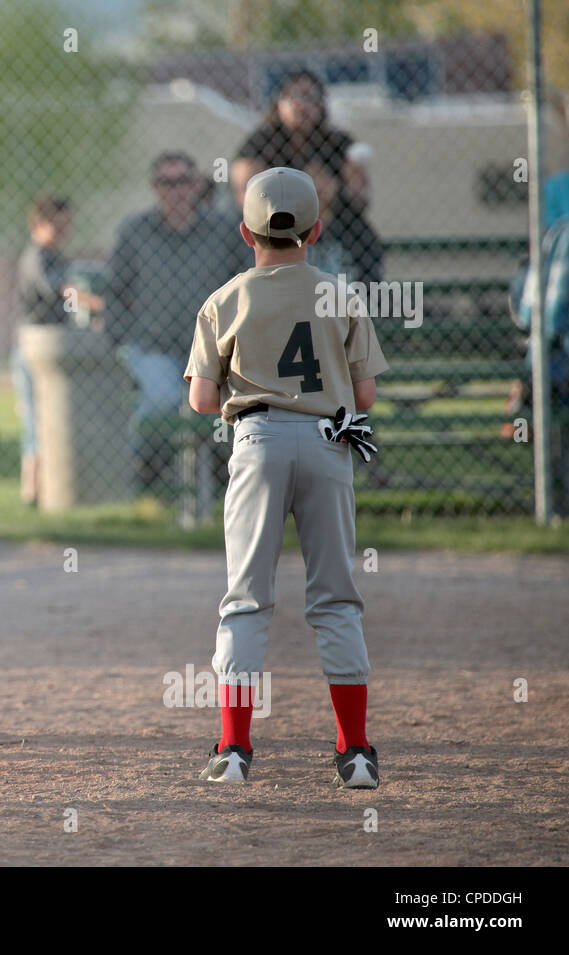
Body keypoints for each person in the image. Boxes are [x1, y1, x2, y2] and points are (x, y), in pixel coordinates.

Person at [184, 167, 390, 788]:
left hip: (257, 442)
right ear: (316, 230)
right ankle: (354, 754)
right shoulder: (340, 295)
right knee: (336, 598)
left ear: (247, 233)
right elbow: (366, 395)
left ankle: (235, 751)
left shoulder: (226, 298)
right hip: (329, 442)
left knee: (246, 599)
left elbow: (200, 399)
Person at [105, 151, 252, 484]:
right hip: (153, 347)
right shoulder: (135, 232)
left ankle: (221, 478)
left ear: (197, 184)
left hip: (215, 351)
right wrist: (125, 338)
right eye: (166, 183)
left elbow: (246, 284)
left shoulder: (222, 230)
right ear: (155, 188)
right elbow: (115, 291)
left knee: (233, 407)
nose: (176, 190)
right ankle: (145, 477)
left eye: (183, 181)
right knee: (162, 401)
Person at [13, 193, 103, 506]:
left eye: (67, 226)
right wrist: (96, 304)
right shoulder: (37, 256)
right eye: (57, 225)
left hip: (54, 343)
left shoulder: (57, 256)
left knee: (51, 419)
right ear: (37, 223)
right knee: (34, 420)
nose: (64, 232)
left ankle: (47, 490)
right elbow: (61, 290)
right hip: (35, 345)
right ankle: (32, 493)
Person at [231, 69, 369, 229]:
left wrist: (333, 190)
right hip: (276, 229)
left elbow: (361, 198)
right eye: (292, 96)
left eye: (309, 97)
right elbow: (245, 192)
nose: (301, 104)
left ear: (321, 104)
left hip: (334, 228)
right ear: (278, 103)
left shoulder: (337, 143)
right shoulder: (261, 142)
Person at [511, 214, 569, 514]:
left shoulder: (556, 236)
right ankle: (556, 502)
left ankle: (556, 501)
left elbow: (525, 315)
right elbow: (546, 317)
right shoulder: (564, 238)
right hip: (555, 366)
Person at [303, 158, 383, 284]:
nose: (318, 185)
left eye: (324, 176)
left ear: (336, 183)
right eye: (311, 178)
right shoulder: (293, 229)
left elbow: (371, 276)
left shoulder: (355, 228)